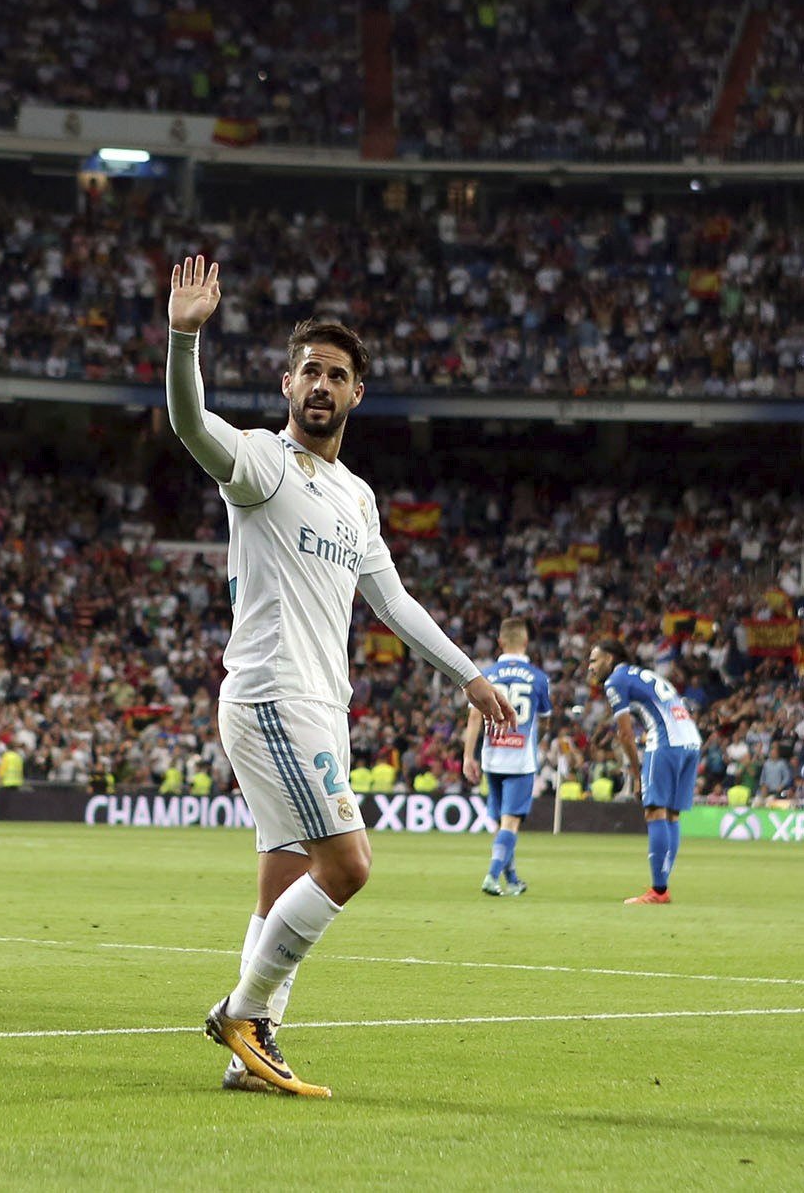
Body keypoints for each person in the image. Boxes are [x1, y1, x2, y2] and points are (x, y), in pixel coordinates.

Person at [165, 257, 512, 1098]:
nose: (322, 384)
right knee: (349, 866)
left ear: (357, 394)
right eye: (311, 371)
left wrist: (468, 674)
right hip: (273, 696)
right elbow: (190, 426)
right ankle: (242, 1012)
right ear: (287, 383)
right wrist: (185, 338)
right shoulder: (261, 463)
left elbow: (392, 601)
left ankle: (251, 1047)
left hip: (320, 703)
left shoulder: (356, 498)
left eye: (339, 375)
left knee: (285, 875)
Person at [587, 638, 704, 905]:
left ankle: (658, 890)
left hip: (666, 742)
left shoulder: (615, 681)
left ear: (609, 659)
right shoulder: (645, 673)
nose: (590, 667)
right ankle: (661, 885)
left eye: (594, 660)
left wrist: (636, 774)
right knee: (671, 816)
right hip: (691, 741)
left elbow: (626, 733)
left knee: (654, 811)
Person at [461, 618, 552, 896]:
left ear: (500, 642)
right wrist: (540, 738)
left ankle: (512, 878)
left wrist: (468, 756)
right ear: (525, 643)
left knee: (502, 823)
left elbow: (475, 716)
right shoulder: (538, 677)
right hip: (521, 759)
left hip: (492, 757)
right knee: (511, 822)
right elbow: (545, 720)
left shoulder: (485, 674)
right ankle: (492, 875)